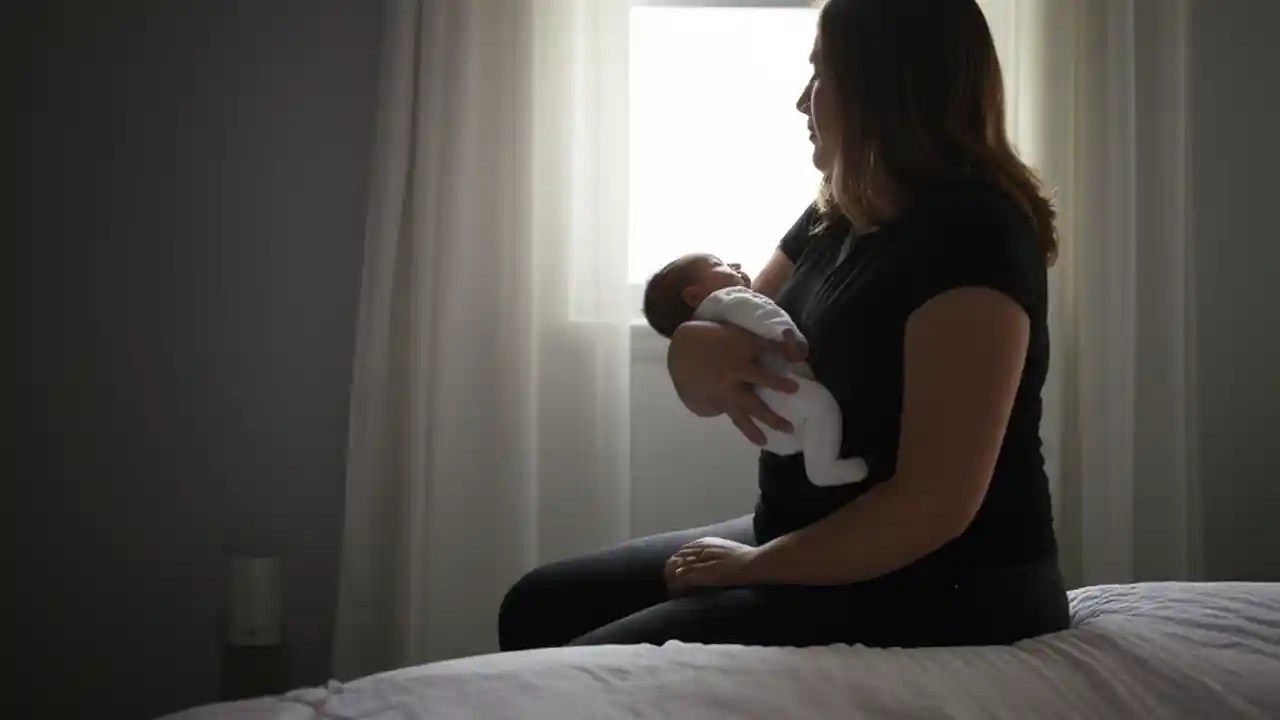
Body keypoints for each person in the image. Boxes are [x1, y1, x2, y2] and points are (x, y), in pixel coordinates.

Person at [498, 0, 1069, 651]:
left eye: (821, 75)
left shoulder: (973, 235)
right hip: (800, 533)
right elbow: (720, 350)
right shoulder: (837, 213)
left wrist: (753, 568)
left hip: (948, 583)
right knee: (538, 605)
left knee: (583, 666)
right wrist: (691, 352)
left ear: (885, 88)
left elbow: (931, 505)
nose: (802, 102)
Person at [643, 252, 868, 487]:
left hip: (768, 429)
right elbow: (764, 315)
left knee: (810, 417)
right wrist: (787, 338)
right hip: (780, 387)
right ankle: (823, 468)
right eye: (719, 264)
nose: (735, 265)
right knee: (821, 407)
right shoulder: (727, 299)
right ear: (693, 296)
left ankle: (816, 457)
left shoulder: (714, 317)